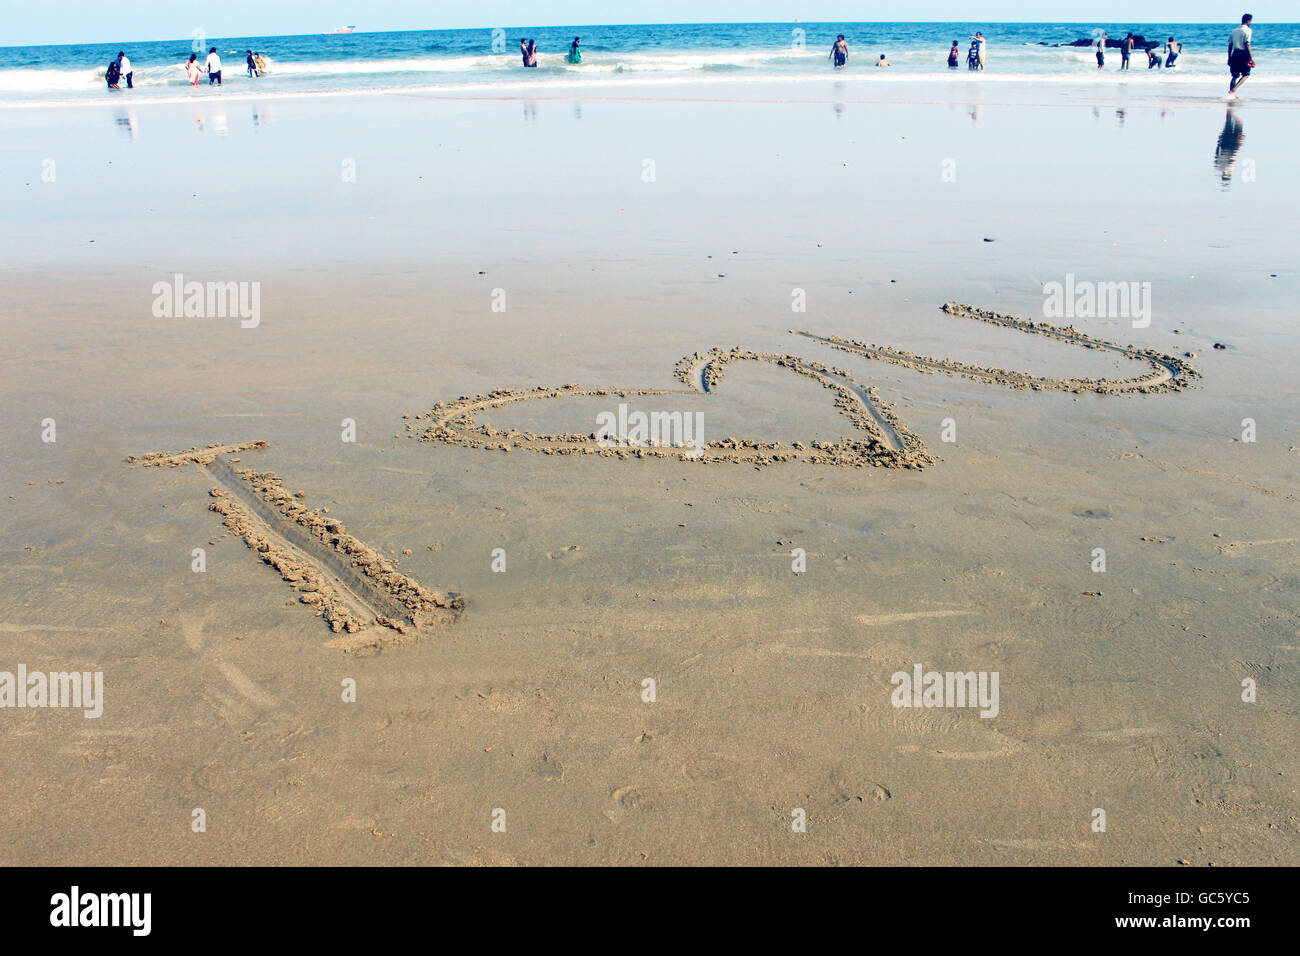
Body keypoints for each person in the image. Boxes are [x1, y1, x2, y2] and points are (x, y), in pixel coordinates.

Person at [1228, 14, 1254, 98]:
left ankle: (1232, 95)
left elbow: (1230, 45)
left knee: (1234, 76)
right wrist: (1251, 58)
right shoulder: (1248, 30)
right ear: (1248, 21)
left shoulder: (1234, 30)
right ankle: (1234, 90)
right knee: (1246, 74)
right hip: (1243, 54)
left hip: (1234, 53)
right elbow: (1247, 44)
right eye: (1251, 21)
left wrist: (1229, 57)